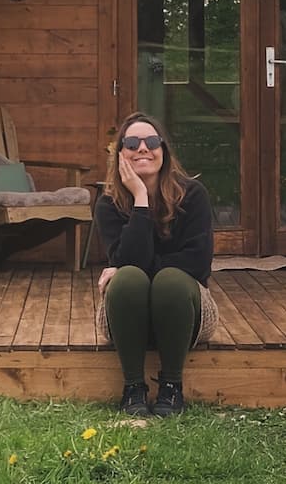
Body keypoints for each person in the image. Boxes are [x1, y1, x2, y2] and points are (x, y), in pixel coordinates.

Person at [94, 111, 217, 417]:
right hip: (127, 318)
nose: (143, 148)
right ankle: (133, 387)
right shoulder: (108, 204)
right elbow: (130, 265)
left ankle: (172, 387)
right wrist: (139, 198)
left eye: (151, 141)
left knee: (171, 281)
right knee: (128, 279)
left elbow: (198, 264)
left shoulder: (193, 195)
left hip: (185, 315)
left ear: (163, 149)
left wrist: (145, 269)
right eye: (132, 142)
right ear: (120, 153)